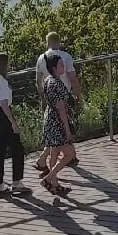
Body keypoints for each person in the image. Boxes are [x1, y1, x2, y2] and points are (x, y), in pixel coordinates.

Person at [34, 32, 83, 171]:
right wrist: (79, 97)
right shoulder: (66, 57)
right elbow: (73, 79)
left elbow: (38, 81)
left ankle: (46, 161)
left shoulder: (41, 58)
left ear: (47, 42)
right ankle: (53, 166)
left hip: (50, 98)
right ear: (59, 41)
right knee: (62, 128)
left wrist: (44, 98)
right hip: (63, 96)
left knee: (55, 130)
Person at [0, 52, 30, 198]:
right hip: (4, 116)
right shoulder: (3, 82)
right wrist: (13, 123)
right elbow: (5, 105)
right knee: (17, 149)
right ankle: (16, 182)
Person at [38, 52, 76, 197]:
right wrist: (67, 129)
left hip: (49, 120)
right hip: (58, 122)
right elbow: (61, 107)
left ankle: (55, 184)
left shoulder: (47, 81)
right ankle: (48, 179)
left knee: (54, 151)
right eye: (60, 65)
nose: (63, 66)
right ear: (54, 68)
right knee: (70, 153)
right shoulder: (57, 84)